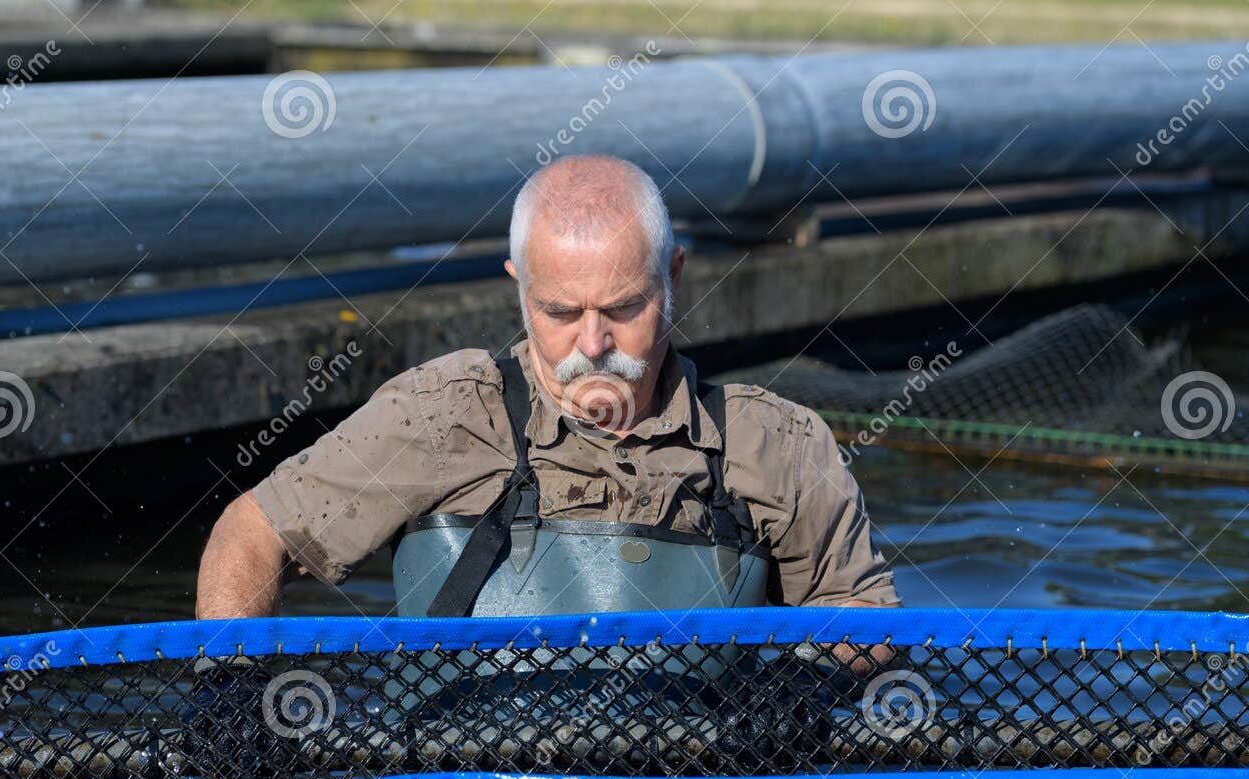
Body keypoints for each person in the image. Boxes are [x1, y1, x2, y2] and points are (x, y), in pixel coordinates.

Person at [197, 154, 899, 621]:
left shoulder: (777, 444)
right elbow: (252, 534)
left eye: (624, 308)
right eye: (561, 313)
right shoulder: (442, 413)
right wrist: (231, 698)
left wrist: (818, 666)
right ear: (519, 288)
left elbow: (863, 615)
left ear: (674, 276)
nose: (593, 345)